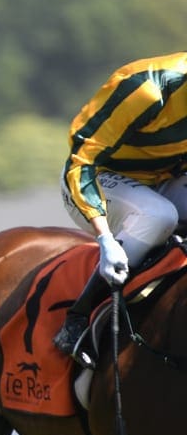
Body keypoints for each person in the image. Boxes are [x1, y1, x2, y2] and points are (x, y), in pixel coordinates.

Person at [55, 53, 187, 363]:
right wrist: (105, 239)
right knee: (158, 216)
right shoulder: (146, 90)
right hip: (100, 179)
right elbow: (82, 162)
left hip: (164, 178)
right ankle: (79, 319)